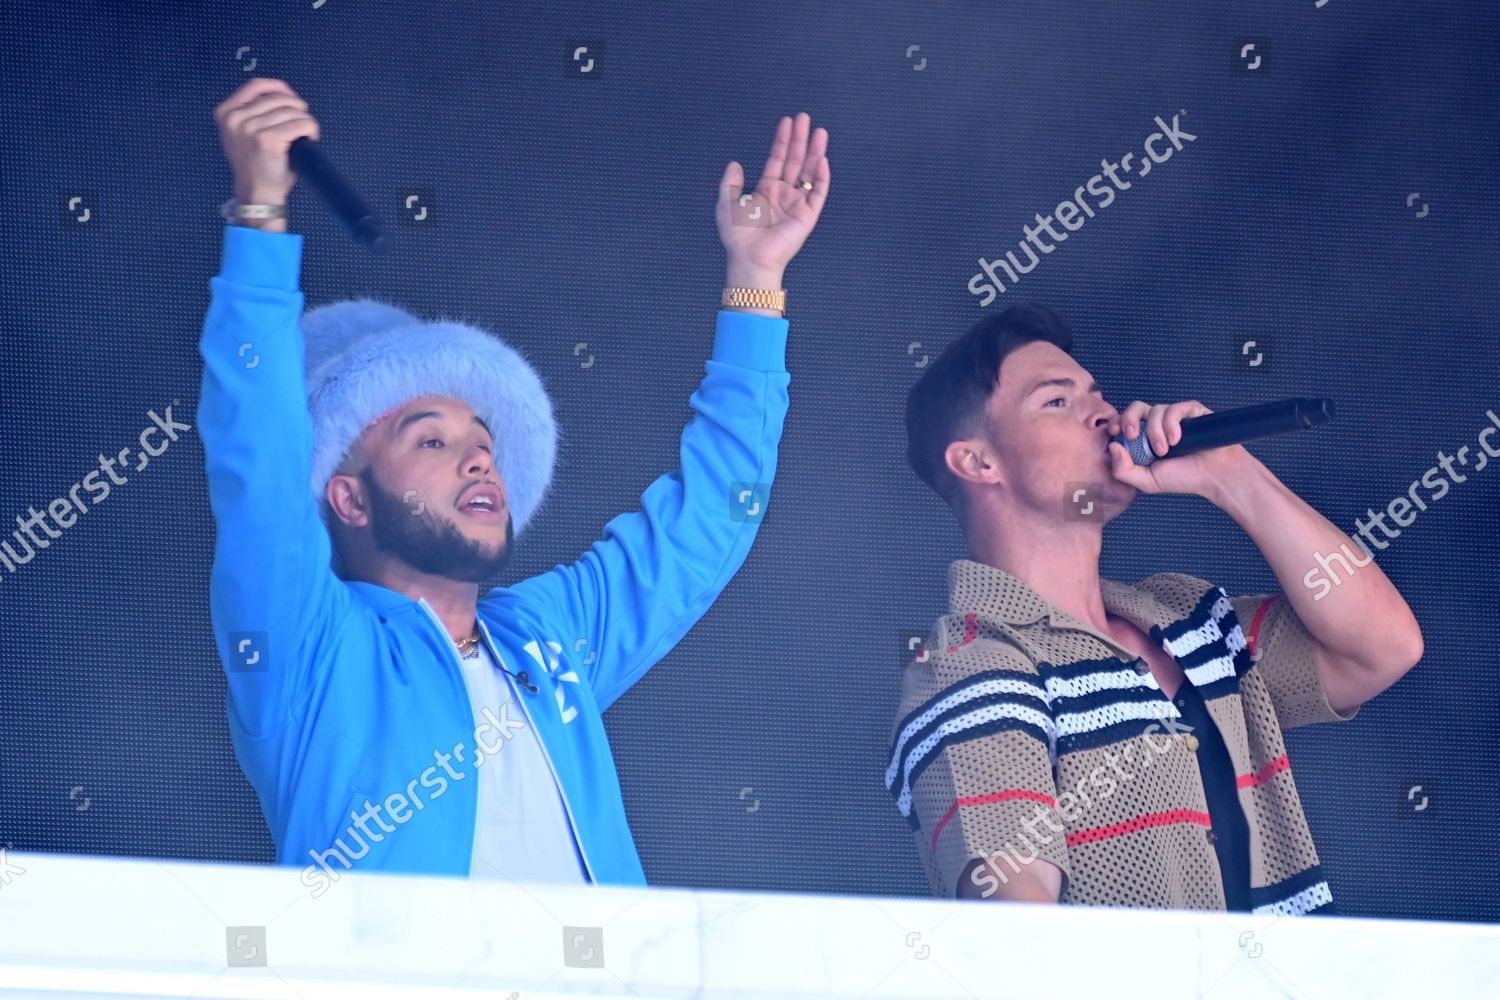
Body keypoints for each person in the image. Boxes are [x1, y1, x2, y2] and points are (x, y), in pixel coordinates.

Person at [201, 78, 830, 893]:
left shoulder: (546, 637)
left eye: (484, 443)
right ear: (347, 497)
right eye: (431, 439)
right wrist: (259, 212)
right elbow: (257, 460)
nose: (477, 460)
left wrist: (755, 278)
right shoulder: (311, 645)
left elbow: (709, 521)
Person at [887, 302, 1422, 912]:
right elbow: (1020, 925)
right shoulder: (971, 666)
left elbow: (1383, 648)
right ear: (977, 462)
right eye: (1057, 401)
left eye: (1097, 394)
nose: (1105, 414)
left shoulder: (1189, 618)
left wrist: (1234, 477)